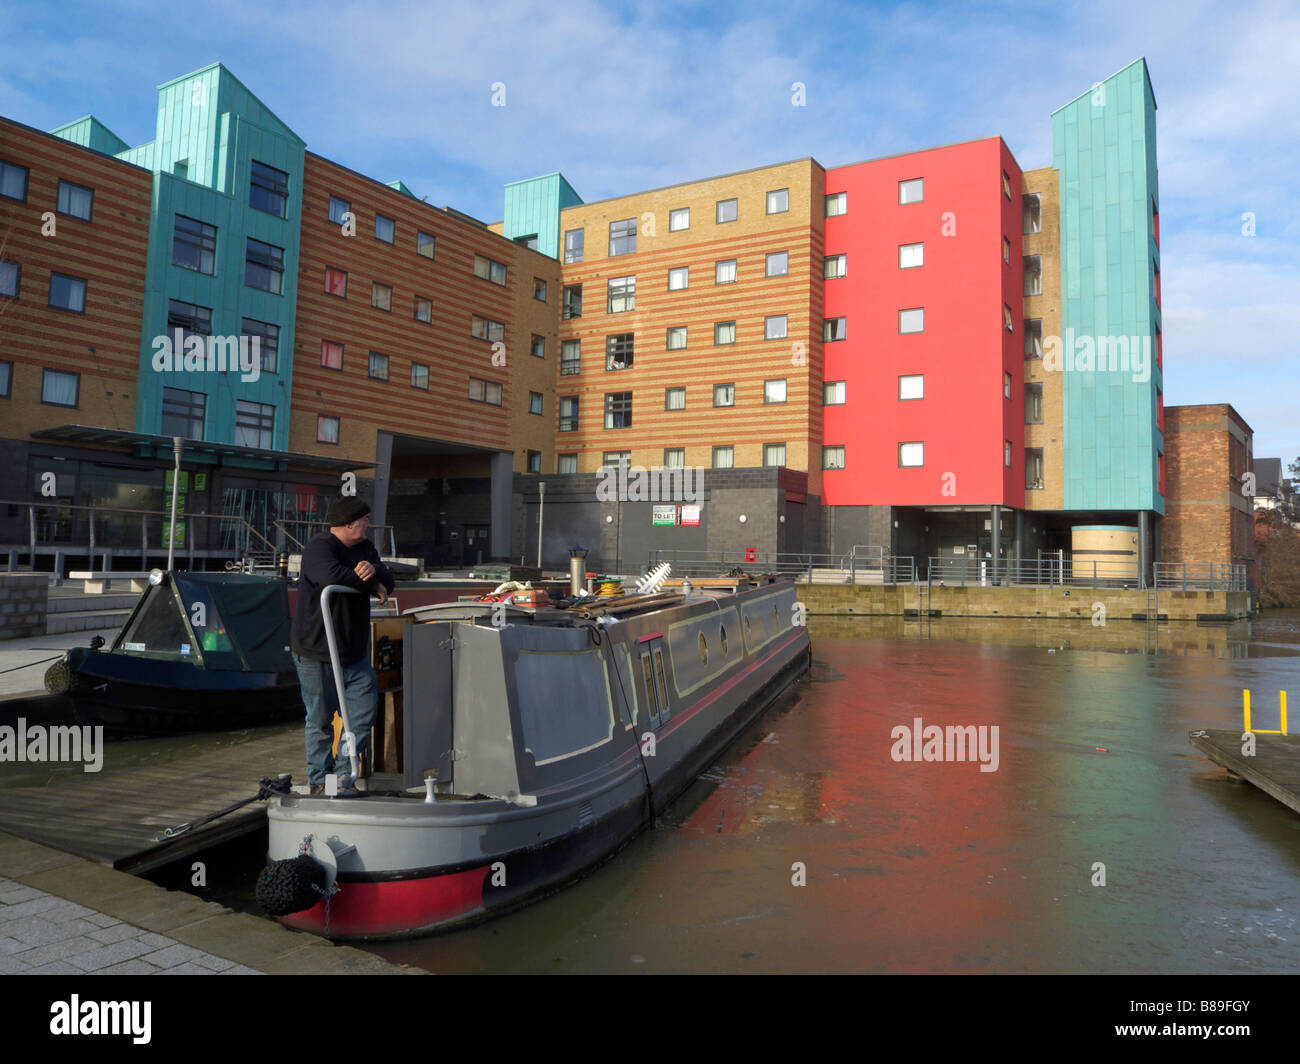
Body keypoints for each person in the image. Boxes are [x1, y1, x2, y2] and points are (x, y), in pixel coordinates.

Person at [291, 497, 394, 796]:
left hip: (351, 652)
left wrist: (374, 572)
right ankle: (320, 782)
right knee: (320, 719)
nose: (369, 524)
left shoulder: (365, 549)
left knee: (362, 711)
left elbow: (388, 576)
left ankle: (342, 776)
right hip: (316, 650)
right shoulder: (320, 547)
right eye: (365, 520)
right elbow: (329, 576)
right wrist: (372, 584)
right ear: (350, 523)